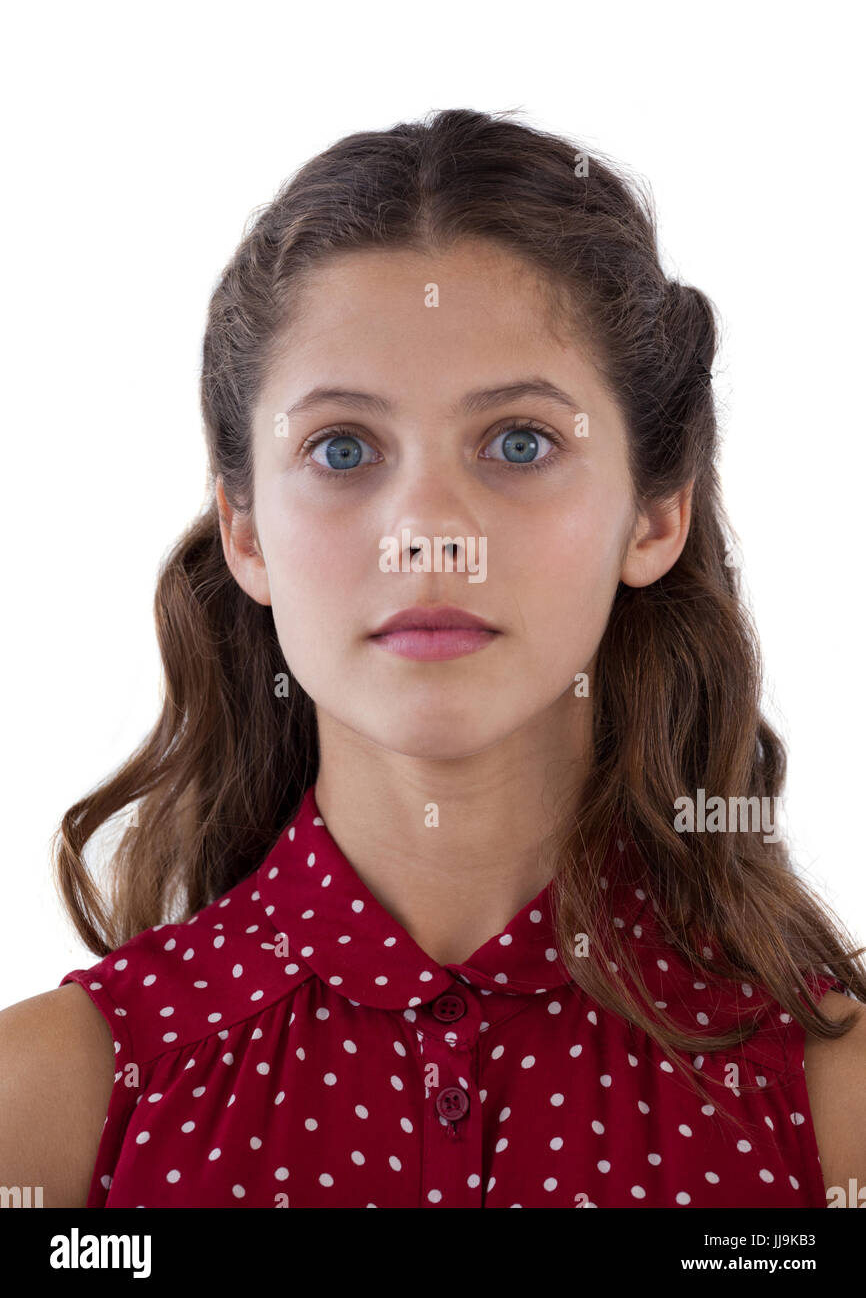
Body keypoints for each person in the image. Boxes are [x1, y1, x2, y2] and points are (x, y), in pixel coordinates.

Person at [2, 109, 865, 1209]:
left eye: (519, 442)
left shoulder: (831, 1115)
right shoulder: (46, 1115)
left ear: (653, 516)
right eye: (342, 449)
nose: (426, 532)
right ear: (247, 529)